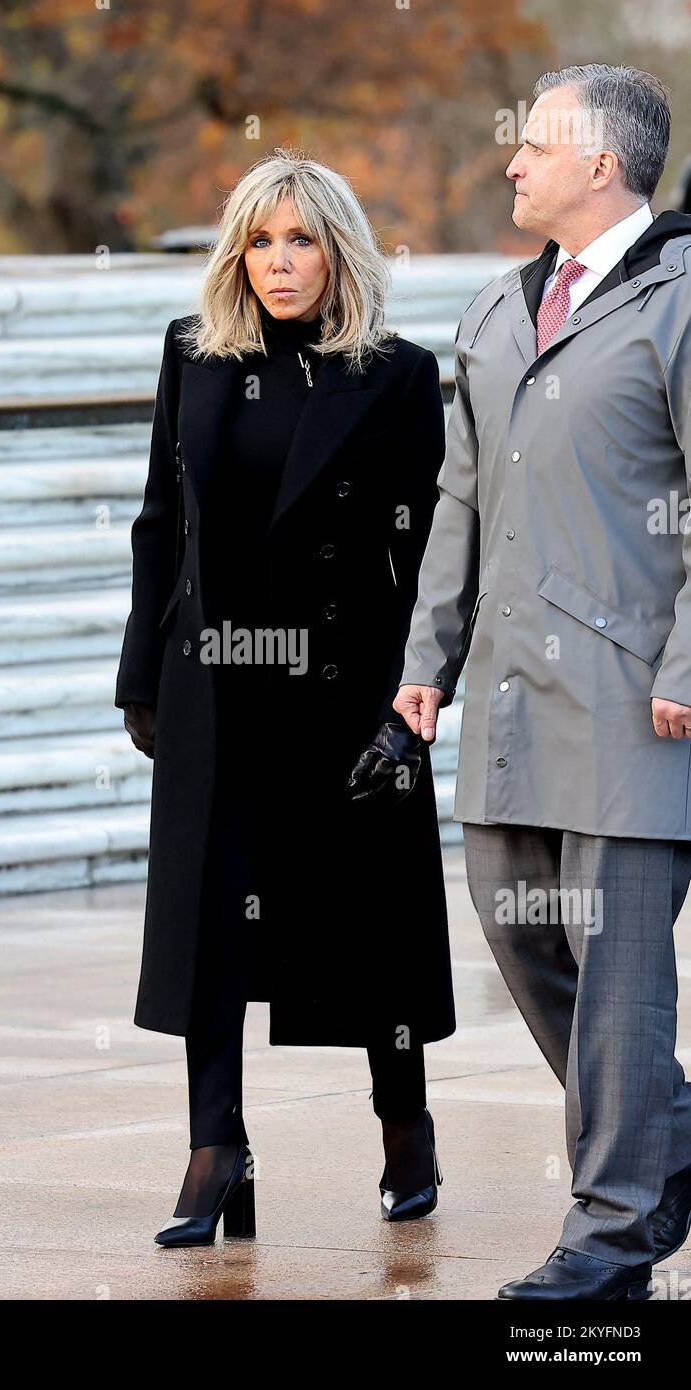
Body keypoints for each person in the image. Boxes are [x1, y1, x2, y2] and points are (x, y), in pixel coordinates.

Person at [116, 148, 455, 1247]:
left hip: (345, 688)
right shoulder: (196, 356)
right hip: (214, 680)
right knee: (209, 920)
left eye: (300, 237)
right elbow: (160, 527)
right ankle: (216, 1147)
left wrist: (411, 701)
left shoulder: (395, 374)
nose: (277, 261)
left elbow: (429, 552)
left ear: (337, 248)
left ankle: (403, 1122)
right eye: (259, 239)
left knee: (372, 924)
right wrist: (139, 672)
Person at [395, 64, 691, 1301]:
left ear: (603, 167)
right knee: (521, 936)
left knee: (618, 965)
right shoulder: (496, 310)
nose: (512, 164)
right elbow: (460, 497)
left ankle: (613, 1231)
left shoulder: (678, 302)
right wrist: (426, 661)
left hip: (638, 699)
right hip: (509, 697)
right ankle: (663, 1146)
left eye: (535, 148)